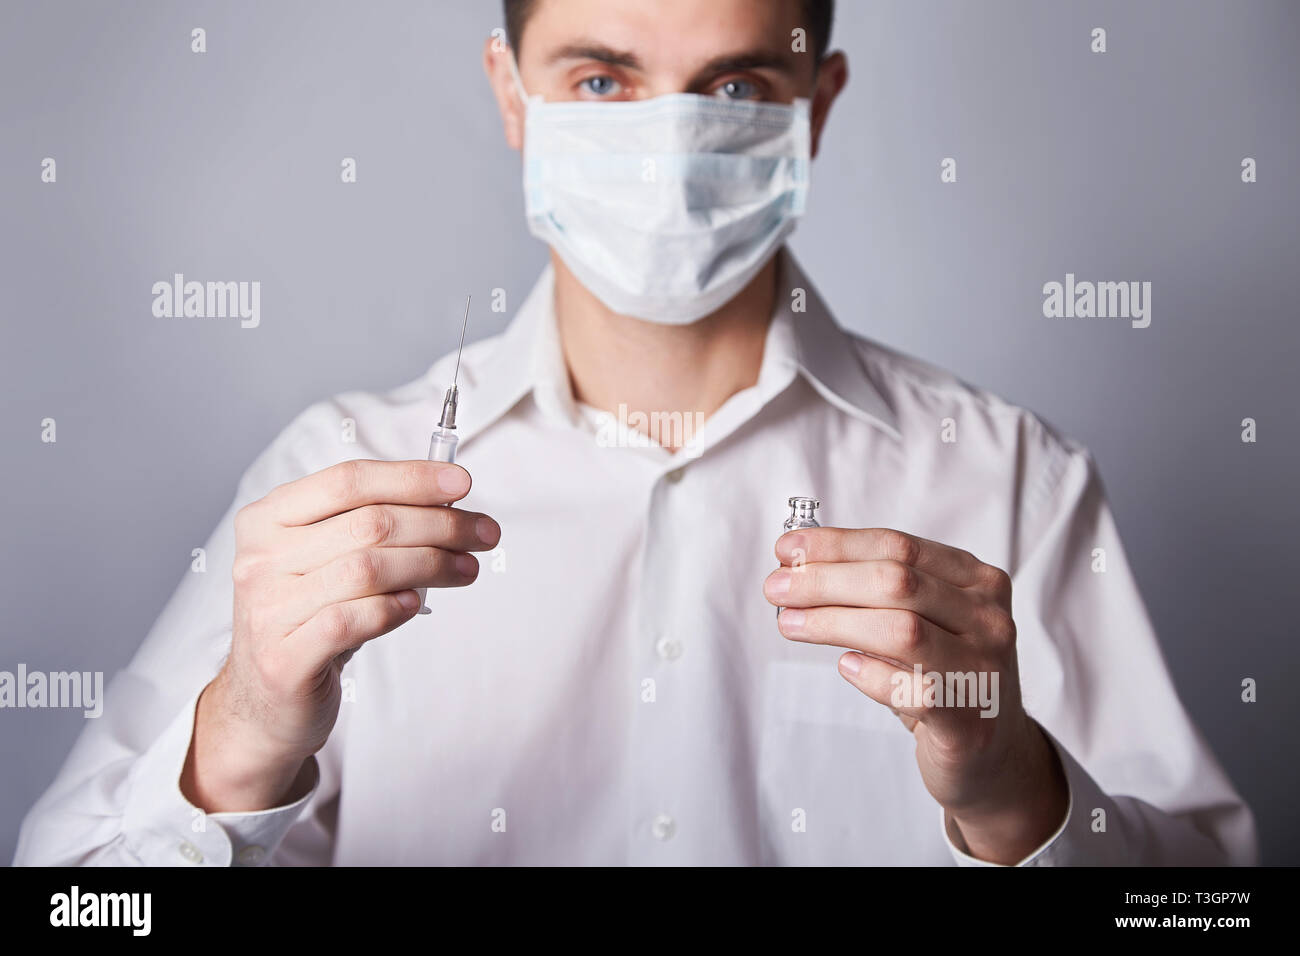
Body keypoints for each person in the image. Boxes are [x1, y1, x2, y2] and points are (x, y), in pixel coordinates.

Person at [16, 0, 1256, 866]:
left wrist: (1013, 792)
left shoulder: (1004, 480)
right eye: (601, 80)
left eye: (735, 86)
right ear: (512, 92)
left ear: (815, 104)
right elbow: (82, 904)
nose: (668, 148)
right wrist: (234, 749)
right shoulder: (332, 483)